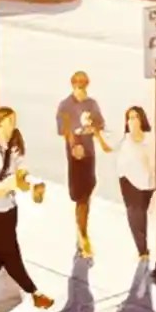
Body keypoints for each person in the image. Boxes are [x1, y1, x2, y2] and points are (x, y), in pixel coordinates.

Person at [0, 106, 54, 312]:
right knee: (11, 254)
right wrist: (11, 183)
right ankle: (35, 293)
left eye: (14, 122)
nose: (13, 126)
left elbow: (21, 171)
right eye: (9, 122)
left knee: (2, 251)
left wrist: (33, 183)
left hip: (9, 209)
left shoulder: (12, 144)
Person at [56, 71, 108, 258]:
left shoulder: (91, 104)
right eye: (77, 85)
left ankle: (82, 232)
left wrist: (93, 126)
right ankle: (83, 236)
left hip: (89, 155)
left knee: (87, 192)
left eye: (83, 85)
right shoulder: (65, 105)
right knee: (80, 197)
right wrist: (74, 142)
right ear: (72, 85)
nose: (80, 88)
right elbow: (62, 129)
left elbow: (101, 123)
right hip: (75, 156)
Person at [116, 106, 155, 261]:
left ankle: (144, 247)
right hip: (128, 179)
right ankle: (142, 250)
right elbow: (109, 148)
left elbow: (153, 159)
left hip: (147, 182)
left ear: (141, 119)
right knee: (134, 214)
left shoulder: (149, 139)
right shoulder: (125, 139)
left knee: (142, 213)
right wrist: (97, 134)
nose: (132, 121)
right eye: (129, 118)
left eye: (135, 117)